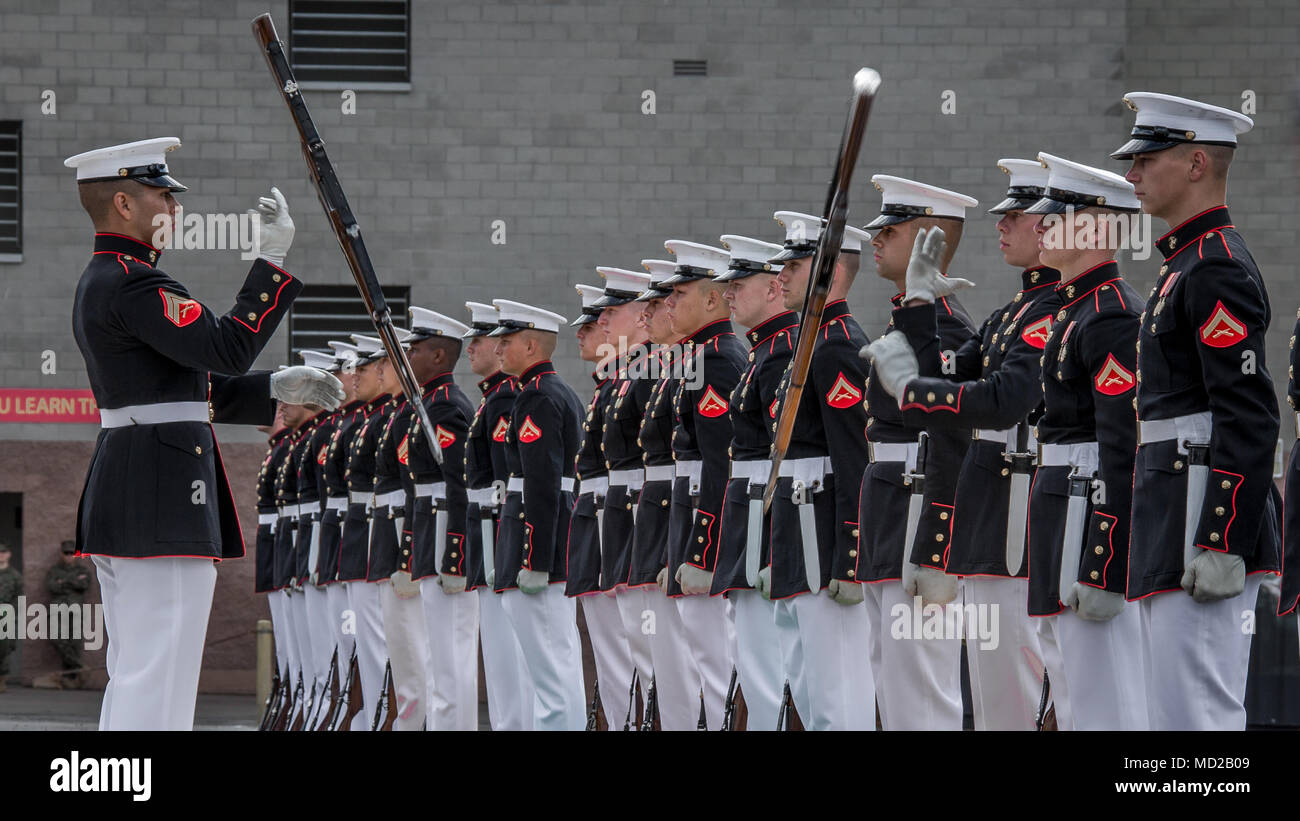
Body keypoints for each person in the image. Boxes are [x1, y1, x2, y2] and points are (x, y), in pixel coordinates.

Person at [65, 137, 342, 730]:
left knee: (139, 665)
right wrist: (270, 265)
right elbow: (225, 349)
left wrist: (275, 388)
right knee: (160, 667)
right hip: (161, 490)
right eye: (163, 195)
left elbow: (186, 388)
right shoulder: (136, 284)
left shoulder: (108, 279)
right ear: (123, 203)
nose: (176, 208)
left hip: (135, 479)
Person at [866, 159, 1061, 729]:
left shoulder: (1056, 312)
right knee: (995, 697)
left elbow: (988, 406)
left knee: (1026, 696)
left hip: (1019, 523)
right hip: (987, 528)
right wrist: (918, 306)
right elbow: (941, 384)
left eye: (1019, 215)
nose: (1003, 225)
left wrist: (934, 542)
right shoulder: (1010, 315)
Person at [1115, 92, 1281, 729]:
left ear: (1196, 163)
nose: (1132, 173)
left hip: (1198, 512)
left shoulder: (1215, 269)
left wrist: (1221, 536)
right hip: (1170, 506)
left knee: (1198, 716)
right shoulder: (1184, 265)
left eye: (1147, 158)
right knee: (1171, 715)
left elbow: (1249, 415)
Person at [858, 180, 978, 730]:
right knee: (893, 685)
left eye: (891, 230)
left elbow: (950, 437)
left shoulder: (946, 329)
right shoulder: (904, 322)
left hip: (919, 507)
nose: (875, 240)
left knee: (923, 691)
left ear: (931, 241)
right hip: (890, 506)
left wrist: (939, 546)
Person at [764, 212, 875, 731]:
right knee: (807, 687)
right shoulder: (806, 346)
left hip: (824, 542)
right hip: (796, 534)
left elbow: (855, 460)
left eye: (795, 263)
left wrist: (851, 560)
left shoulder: (836, 347)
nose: (781, 275)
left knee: (836, 691)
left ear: (830, 273)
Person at [711, 234, 797, 730]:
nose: (729, 293)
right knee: (756, 659)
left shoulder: (781, 353)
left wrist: (767, 547)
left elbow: (780, 456)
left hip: (765, 521)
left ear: (772, 289)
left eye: (739, 284)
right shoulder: (762, 352)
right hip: (748, 517)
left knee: (769, 666)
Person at [491, 299, 586, 730]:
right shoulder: (549, 391)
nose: (497, 349)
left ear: (532, 345)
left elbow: (542, 483)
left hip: (538, 548)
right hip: (537, 540)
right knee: (551, 665)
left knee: (551, 669)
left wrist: (536, 561)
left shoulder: (539, 396)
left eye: (506, 341)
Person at [660, 239, 744, 729]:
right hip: (692, 519)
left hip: (707, 525)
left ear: (713, 300)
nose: (668, 304)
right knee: (702, 664)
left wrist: (703, 551)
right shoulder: (701, 358)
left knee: (717, 667)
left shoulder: (717, 361)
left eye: (679, 294)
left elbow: (721, 463)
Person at [402, 306, 478, 731]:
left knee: (452, 657)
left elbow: (457, 485)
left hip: (445, 543)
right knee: (438, 656)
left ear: (438, 356)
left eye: (415, 350)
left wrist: (455, 556)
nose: (408, 357)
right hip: (430, 538)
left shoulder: (447, 406)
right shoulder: (429, 403)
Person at [566, 283, 635, 729]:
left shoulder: (643, 377)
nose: (588, 331)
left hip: (628, 528)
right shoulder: (609, 385)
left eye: (601, 319)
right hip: (604, 528)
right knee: (614, 661)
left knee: (635, 659)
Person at [461, 302, 534, 730]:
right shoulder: (493, 399)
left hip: (500, 543)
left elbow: (511, 483)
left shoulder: (506, 398)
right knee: (503, 666)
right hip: (489, 543)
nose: (471, 348)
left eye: (482, 340)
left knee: (511, 663)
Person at [628, 259, 694, 729]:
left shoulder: (705, 363)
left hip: (685, 518)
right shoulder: (665, 369)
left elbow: (714, 459)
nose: (654, 313)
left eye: (667, 301)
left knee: (695, 663)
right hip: (659, 517)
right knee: (653, 660)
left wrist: (700, 548)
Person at [46, 541, 94, 689]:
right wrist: (73, 581)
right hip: (58, 609)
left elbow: (84, 585)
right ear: (61, 554)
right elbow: (52, 586)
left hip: (75, 610)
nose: (69, 556)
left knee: (74, 643)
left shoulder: (83, 570)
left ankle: (71, 678)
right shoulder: (54, 570)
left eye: (71, 553)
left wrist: (64, 581)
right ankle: (81, 668)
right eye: (66, 553)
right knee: (56, 638)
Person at [0, 543, 20, 693]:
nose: (1, 555)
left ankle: (2, 680)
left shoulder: (14, 576)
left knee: (4, 648)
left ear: (9, 554)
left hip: (7, 616)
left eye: (3, 552)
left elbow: (19, 598)